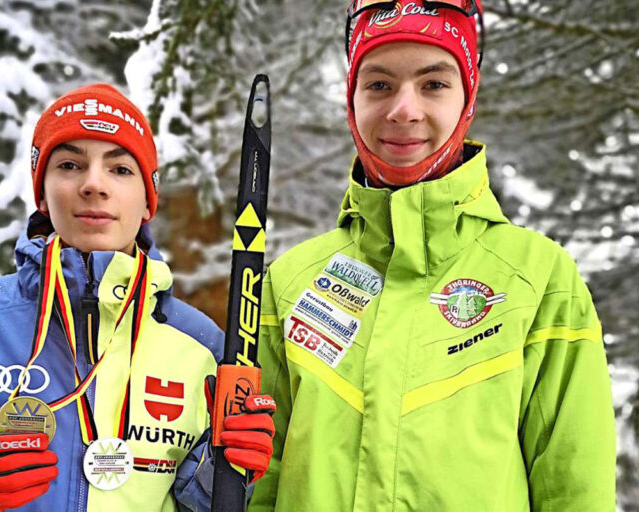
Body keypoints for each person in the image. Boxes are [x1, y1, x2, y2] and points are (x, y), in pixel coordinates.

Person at [249, 1, 615, 511]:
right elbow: (259, 482)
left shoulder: (538, 278)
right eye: (378, 85)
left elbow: (576, 489)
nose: (404, 109)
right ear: (350, 101)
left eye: (434, 84)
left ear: (468, 97)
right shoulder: (289, 283)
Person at [0, 83, 276, 512]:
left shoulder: (202, 347)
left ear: (147, 202)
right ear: (42, 194)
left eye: (120, 169)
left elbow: (198, 503)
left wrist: (225, 470)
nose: (94, 185)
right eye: (69, 164)